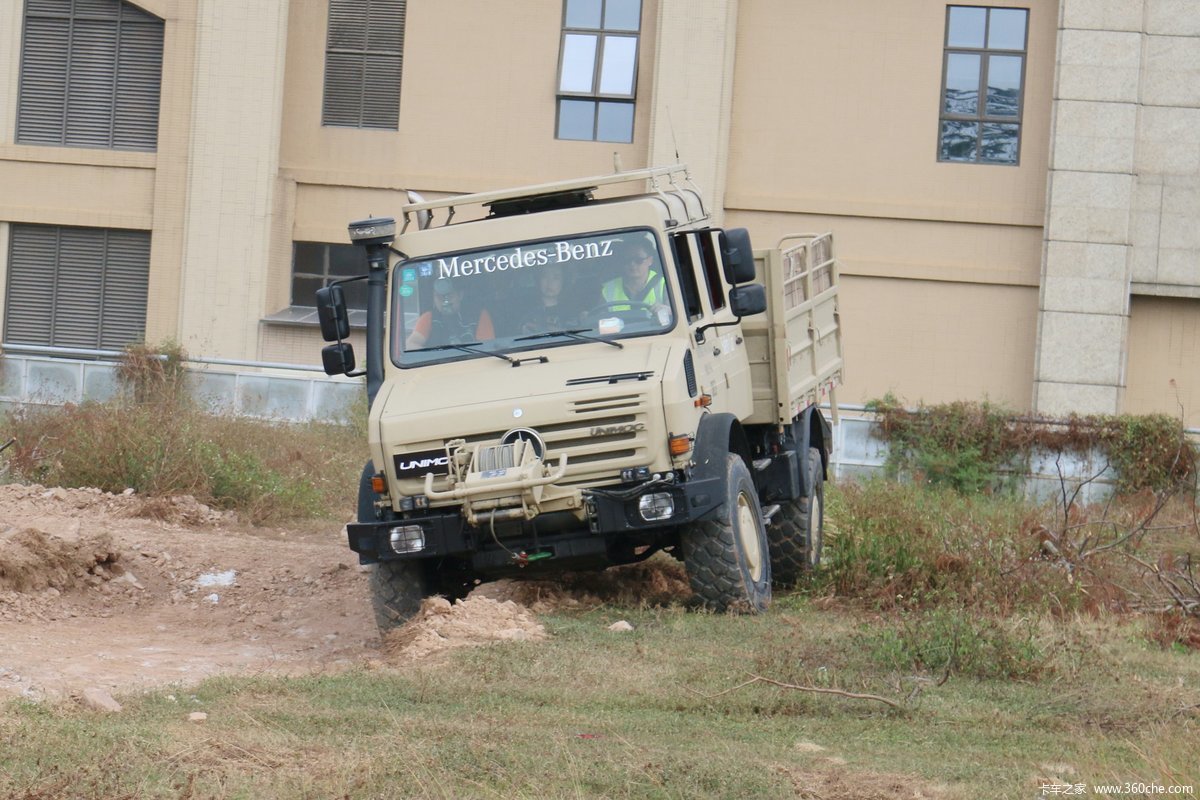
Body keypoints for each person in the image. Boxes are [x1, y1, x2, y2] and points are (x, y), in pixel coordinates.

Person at [405, 277, 494, 349]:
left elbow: (487, 347)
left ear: (460, 295)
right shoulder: (429, 318)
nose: (445, 301)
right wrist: (435, 355)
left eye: (449, 295)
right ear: (433, 298)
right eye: (439, 296)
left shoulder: (478, 315)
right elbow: (410, 345)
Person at [600, 239, 671, 324]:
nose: (632, 264)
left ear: (650, 260)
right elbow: (599, 319)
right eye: (627, 260)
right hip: (620, 336)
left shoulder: (665, 284)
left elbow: (676, 314)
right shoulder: (608, 289)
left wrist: (667, 310)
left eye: (638, 260)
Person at [519, 263, 576, 334]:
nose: (549, 282)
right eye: (544, 276)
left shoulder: (572, 311)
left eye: (556, 277)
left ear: (563, 281)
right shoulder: (525, 311)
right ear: (538, 280)